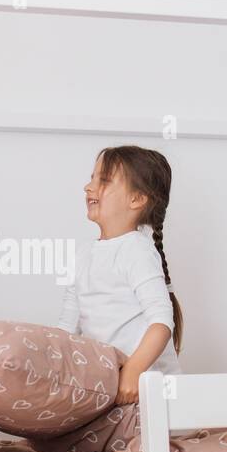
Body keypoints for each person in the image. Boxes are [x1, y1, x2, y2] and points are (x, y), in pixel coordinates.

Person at [57, 145, 184, 405]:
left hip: (154, 396)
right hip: (111, 389)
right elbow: (66, 332)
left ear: (136, 199)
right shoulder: (83, 255)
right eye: (92, 177)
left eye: (102, 180)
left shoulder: (136, 250)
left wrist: (134, 372)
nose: (88, 187)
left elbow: (161, 324)